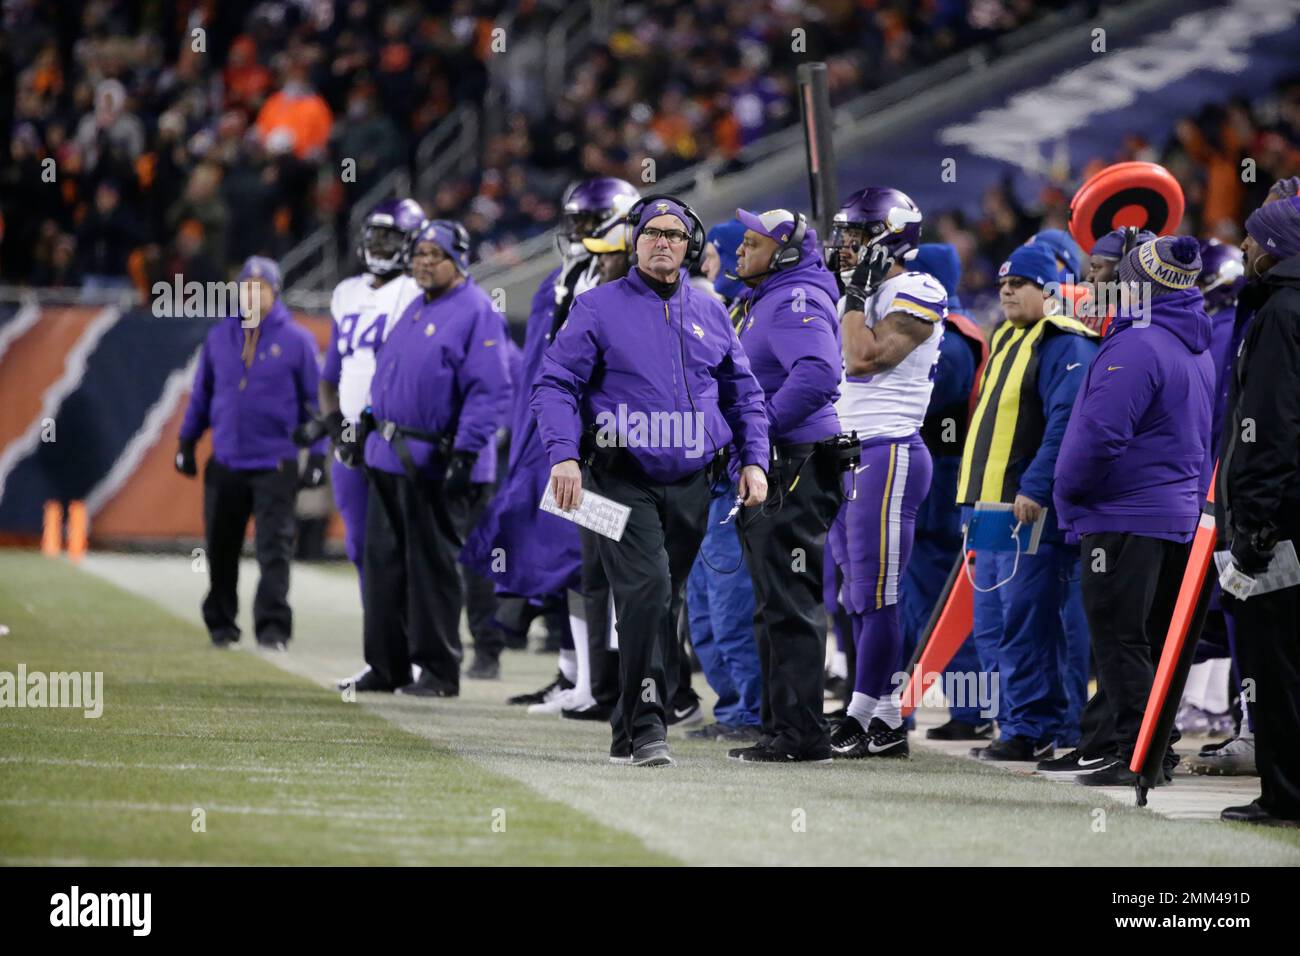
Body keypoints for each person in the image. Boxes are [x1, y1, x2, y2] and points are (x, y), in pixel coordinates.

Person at [531, 195, 769, 768]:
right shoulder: (595, 307)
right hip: (615, 478)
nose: (662, 241)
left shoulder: (712, 310)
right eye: (651, 232)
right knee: (647, 593)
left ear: (689, 245)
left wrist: (753, 459)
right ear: (635, 242)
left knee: (664, 601)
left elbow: (743, 394)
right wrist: (563, 455)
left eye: (674, 233)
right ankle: (646, 726)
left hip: (692, 480)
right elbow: (555, 383)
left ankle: (625, 727)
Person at [462, 177, 640, 710]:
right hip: (555, 441)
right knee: (571, 563)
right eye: (577, 224)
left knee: (599, 568)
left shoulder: (631, 285)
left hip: (602, 448)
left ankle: (626, 688)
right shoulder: (569, 277)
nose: (582, 234)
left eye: (592, 223)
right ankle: (578, 677)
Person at [1052, 236, 1214, 786]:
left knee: (1120, 639)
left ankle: (1135, 755)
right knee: (1146, 639)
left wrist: (1067, 491)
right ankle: (1156, 751)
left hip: (1122, 515)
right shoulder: (1193, 344)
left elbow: (1098, 437)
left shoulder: (1138, 345)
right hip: (1172, 515)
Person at [350, 219, 510, 697]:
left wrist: (465, 453)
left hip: (434, 461)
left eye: (433, 254)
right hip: (389, 456)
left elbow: (490, 389)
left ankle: (439, 672)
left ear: (458, 260)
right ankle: (386, 665)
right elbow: (391, 375)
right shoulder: (418, 306)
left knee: (432, 569)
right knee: (382, 564)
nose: (422, 261)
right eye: (418, 253)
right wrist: (367, 418)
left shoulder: (477, 311)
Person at [957, 242, 1099, 762]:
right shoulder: (1007, 336)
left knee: (1033, 619)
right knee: (997, 619)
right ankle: (1019, 720)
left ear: (1052, 291)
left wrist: (1036, 486)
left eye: (1022, 283)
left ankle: (1041, 725)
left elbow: (1065, 425)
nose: (1008, 290)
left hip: (1029, 509)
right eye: (1003, 283)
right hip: (993, 506)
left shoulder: (1066, 344)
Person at [821, 186, 942, 760]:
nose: (845, 244)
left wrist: (850, 297)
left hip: (887, 450)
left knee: (878, 591)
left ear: (890, 238)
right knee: (856, 595)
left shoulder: (919, 288)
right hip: (848, 452)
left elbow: (863, 359)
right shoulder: (859, 290)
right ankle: (883, 718)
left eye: (856, 234)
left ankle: (861, 712)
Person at [724, 207, 844, 763]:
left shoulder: (794, 298)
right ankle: (780, 729)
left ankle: (801, 735)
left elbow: (819, 374)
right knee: (773, 599)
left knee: (790, 600)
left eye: (754, 243)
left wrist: (757, 431)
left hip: (792, 462)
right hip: (777, 463)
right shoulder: (770, 296)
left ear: (786, 252)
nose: (742, 250)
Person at [175, 256, 327, 650]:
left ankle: (273, 627)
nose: (252, 294)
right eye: (246, 286)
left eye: (261, 287)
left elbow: (315, 405)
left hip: (275, 461)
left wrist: (319, 455)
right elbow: (202, 397)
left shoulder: (297, 341)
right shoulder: (219, 337)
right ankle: (221, 624)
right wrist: (186, 442)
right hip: (225, 459)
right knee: (221, 548)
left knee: (274, 549)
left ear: (274, 293)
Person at [1216, 195, 1300, 825]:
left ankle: (1286, 794)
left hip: (1282, 525)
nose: (1244, 248)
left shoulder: (1281, 313)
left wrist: (1255, 526)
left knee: (1277, 663)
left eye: (1253, 237)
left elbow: (1269, 427)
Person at [899, 243, 990, 740]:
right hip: (936, 473)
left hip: (940, 477)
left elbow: (925, 403)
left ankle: (972, 713)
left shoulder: (949, 340)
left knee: (939, 600)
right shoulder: (949, 330)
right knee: (917, 600)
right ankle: (903, 705)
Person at [310, 199, 423, 594]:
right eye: (374, 236)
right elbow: (329, 377)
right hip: (351, 437)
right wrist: (336, 427)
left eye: (390, 238)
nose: (378, 245)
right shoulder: (347, 292)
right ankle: (380, 642)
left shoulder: (417, 291)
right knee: (358, 544)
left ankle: (409, 640)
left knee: (402, 545)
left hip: (398, 433)